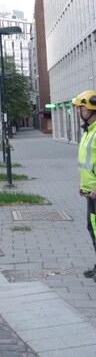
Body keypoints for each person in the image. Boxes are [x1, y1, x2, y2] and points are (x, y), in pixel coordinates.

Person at [75, 90, 96, 279]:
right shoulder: (88, 131)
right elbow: (87, 163)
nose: (78, 111)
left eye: (81, 107)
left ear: (90, 108)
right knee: (92, 228)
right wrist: (84, 185)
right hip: (90, 191)